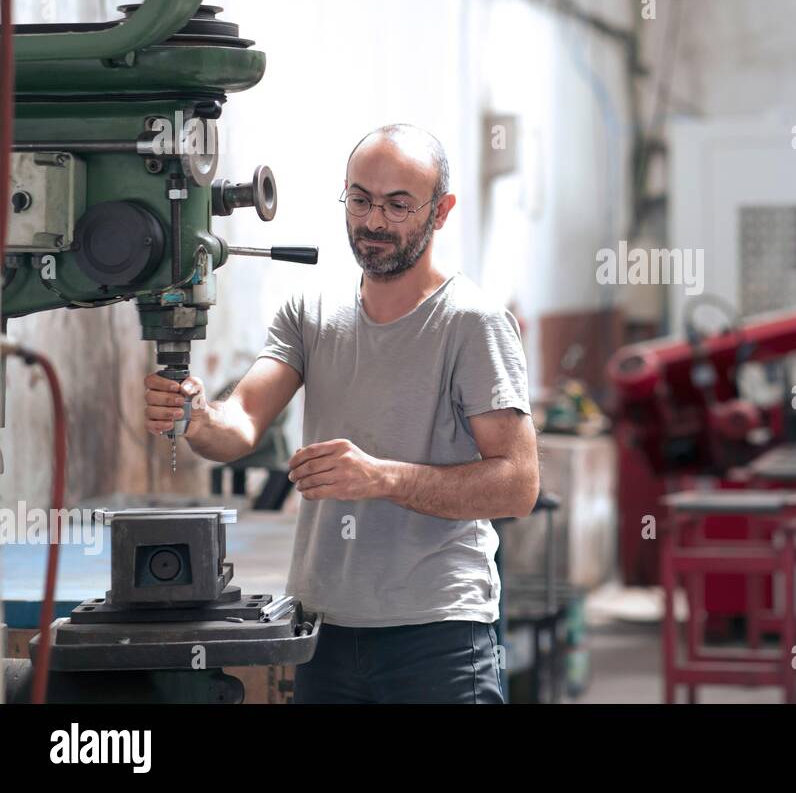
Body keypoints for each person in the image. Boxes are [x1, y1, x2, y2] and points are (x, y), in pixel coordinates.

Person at [144, 123, 539, 702]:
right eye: (360, 199)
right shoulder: (311, 313)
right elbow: (244, 421)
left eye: (398, 205)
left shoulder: (470, 323)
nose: (373, 222)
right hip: (323, 628)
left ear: (442, 210)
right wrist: (198, 415)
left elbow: (518, 484)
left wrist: (383, 478)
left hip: (438, 634)